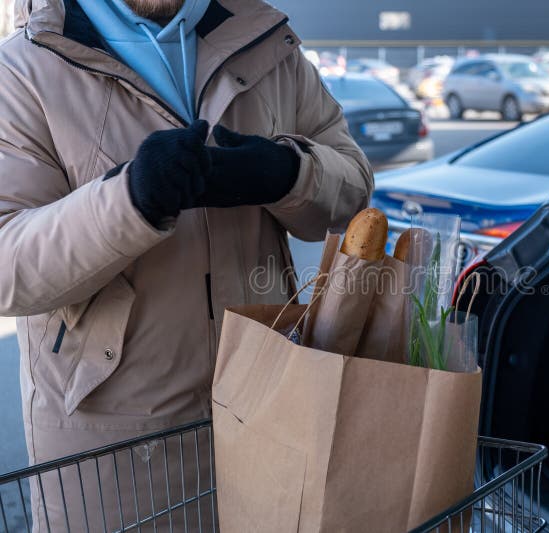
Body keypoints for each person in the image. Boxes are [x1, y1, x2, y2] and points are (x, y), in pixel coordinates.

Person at [0, 0, 373, 530]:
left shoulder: (266, 43)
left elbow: (353, 185)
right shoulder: (24, 68)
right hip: (115, 448)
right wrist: (130, 201)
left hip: (273, 409)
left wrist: (289, 173)